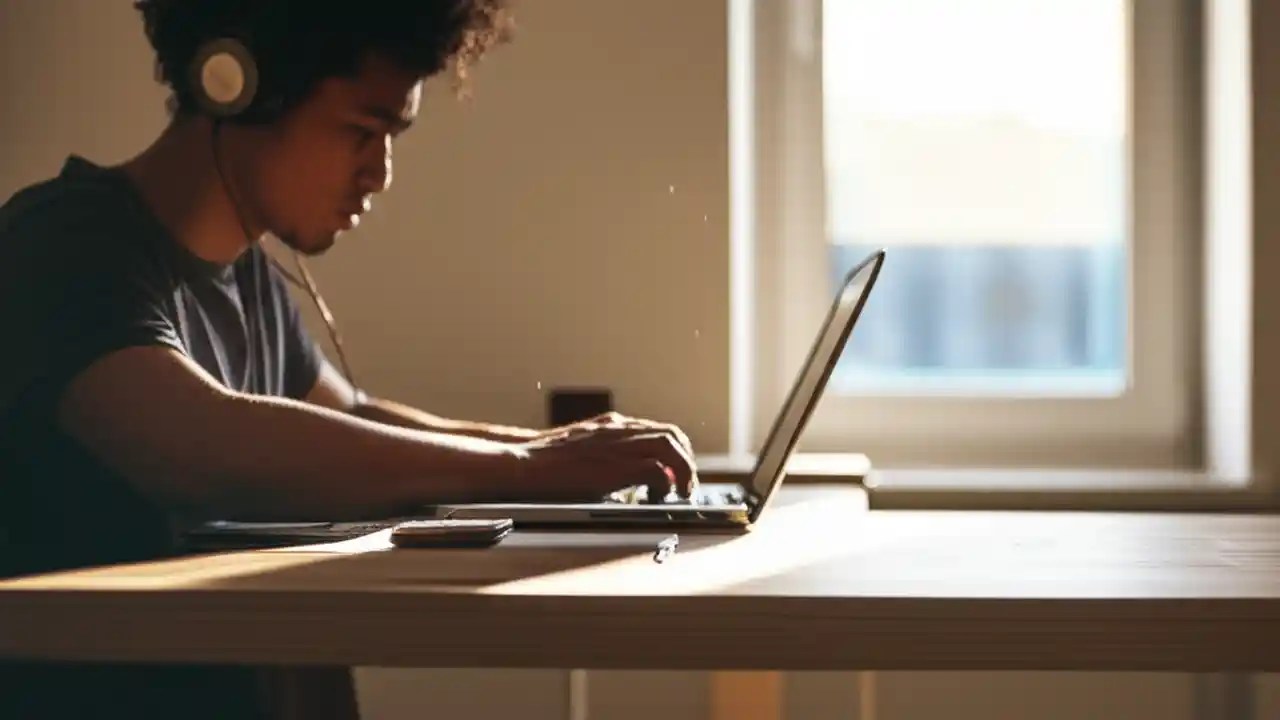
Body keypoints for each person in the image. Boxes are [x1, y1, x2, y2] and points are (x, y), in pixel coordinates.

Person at [0, 1, 698, 717]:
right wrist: (528, 469)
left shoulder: (251, 280)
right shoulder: (63, 243)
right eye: (362, 131)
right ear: (233, 85)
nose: (380, 174)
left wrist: (551, 450)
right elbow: (198, 441)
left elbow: (349, 415)